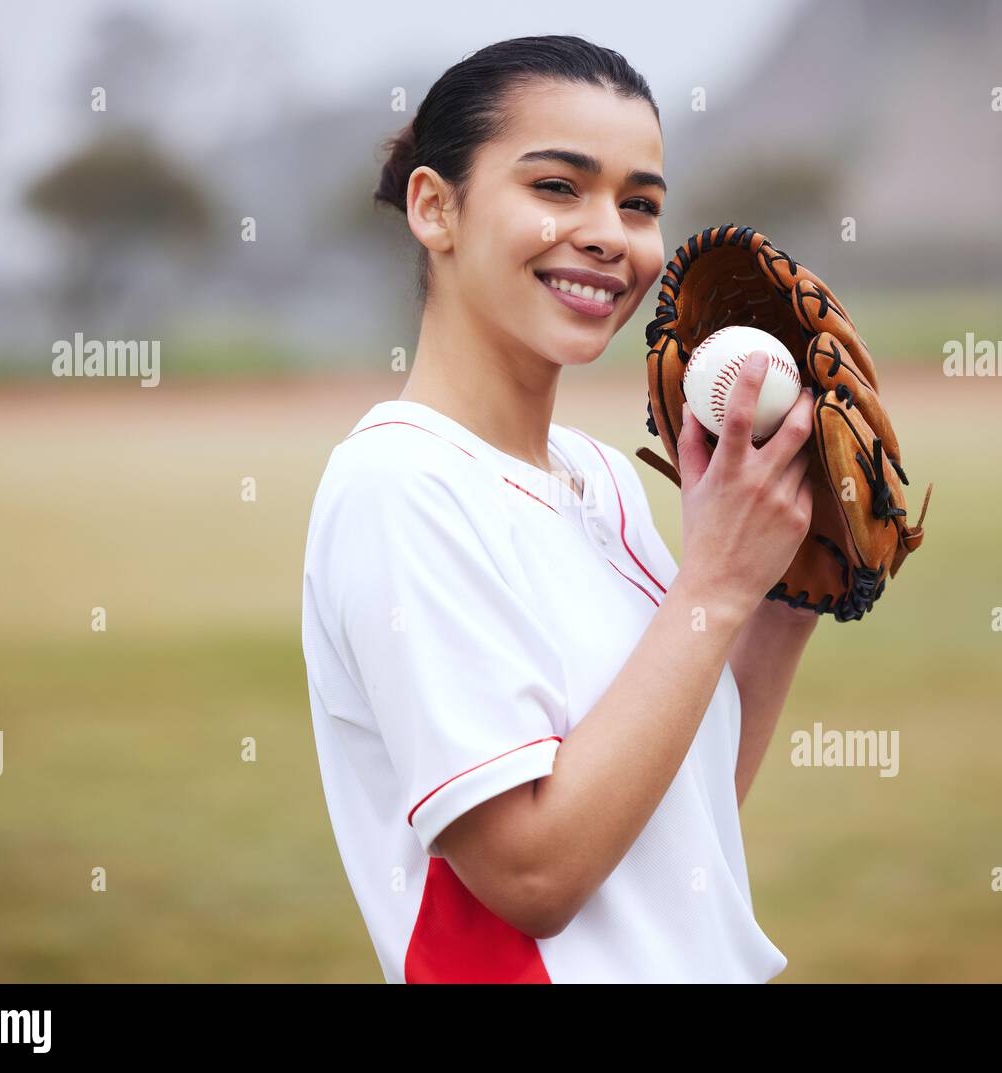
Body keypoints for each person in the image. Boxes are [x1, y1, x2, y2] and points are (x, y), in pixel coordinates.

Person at [301, 34, 818, 984]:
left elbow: (674, 811)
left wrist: (777, 600)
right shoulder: (401, 489)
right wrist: (714, 579)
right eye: (555, 187)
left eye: (640, 203)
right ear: (434, 206)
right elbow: (535, 872)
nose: (609, 234)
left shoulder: (601, 476)